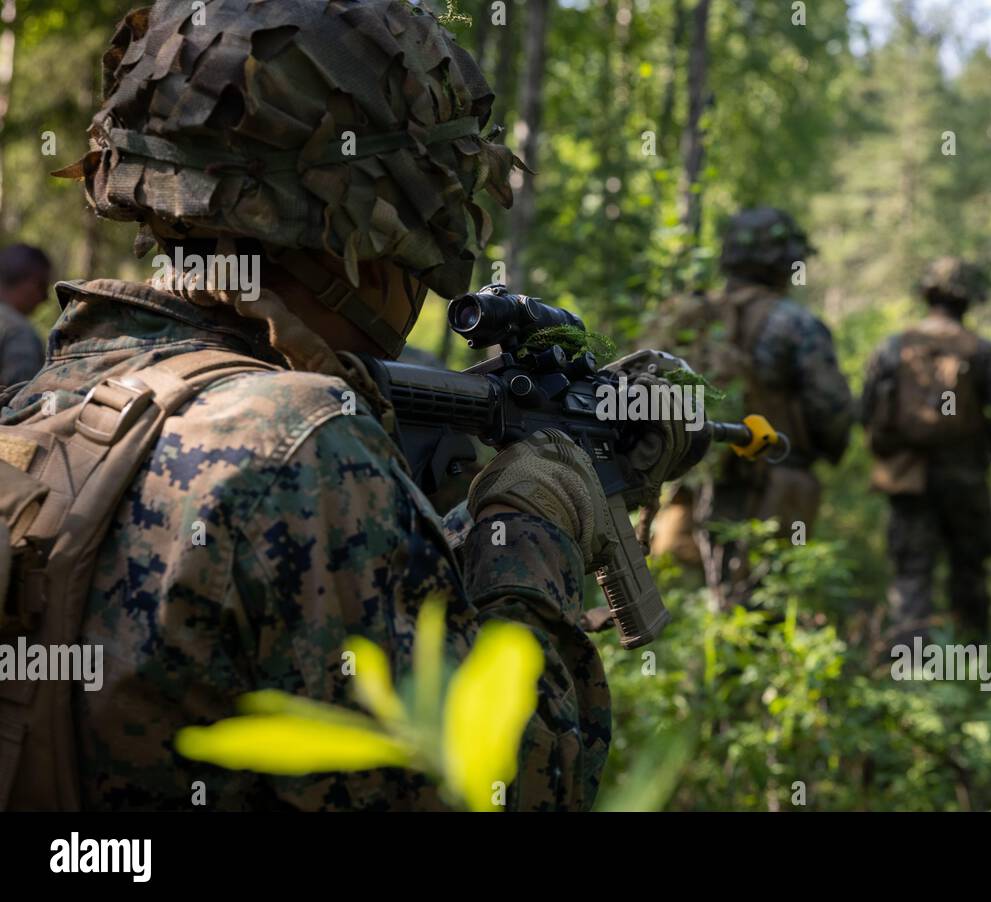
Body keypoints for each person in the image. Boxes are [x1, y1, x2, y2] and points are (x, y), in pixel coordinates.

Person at [0, 0, 689, 812]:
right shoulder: (303, 447)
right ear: (363, 226)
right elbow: (511, 781)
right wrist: (532, 520)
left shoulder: (38, 404)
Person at [647, 208, 853, 605]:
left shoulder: (687, 314)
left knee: (680, 606)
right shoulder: (794, 324)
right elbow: (832, 411)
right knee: (761, 609)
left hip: (684, 483)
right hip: (772, 483)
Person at [860, 257, 991, 644]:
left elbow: (864, 410)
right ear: (970, 300)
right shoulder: (982, 351)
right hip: (965, 477)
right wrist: (983, 450)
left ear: (926, 294)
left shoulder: (893, 347)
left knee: (911, 574)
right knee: (969, 570)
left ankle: (908, 673)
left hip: (906, 476)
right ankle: (973, 666)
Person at [0, 243, 51, 386]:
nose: (45, 298)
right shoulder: (19, 332)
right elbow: (21, 401)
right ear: (30, 283)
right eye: (43, 286)